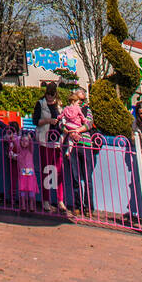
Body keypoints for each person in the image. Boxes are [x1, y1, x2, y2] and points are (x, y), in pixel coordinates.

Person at [59, 87, 94, 217]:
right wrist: (66, 130)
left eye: (82, 99)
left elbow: (89, 124)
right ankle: (78, 205)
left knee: (87, 177)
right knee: (75, 177)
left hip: (84, 143)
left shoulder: (86, 110)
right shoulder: (68, 110)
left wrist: (77, 131)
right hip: (72, 146)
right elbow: (61, 123)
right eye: (78, 98)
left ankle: (89, 206)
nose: (80, 101)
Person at [33, 82, 63, 215]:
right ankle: (46, 200)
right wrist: (48, 121)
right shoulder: (40, 103)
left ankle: (60, 200)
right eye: (48, 95)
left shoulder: (59, 105)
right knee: (46, 170)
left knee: (58, 170)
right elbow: (36, 121)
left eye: (52, 95)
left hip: (57, 140)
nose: (50, 98)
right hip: (45, 140)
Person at [12, 131, 39, 213]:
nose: (24, 143)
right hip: (22, 172)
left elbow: (31, 143)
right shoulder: (19, 149)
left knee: (31, 189)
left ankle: (31, 205)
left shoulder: (30, 150)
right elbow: (16, 142)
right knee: (22, 189)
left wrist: (29, 138)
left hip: (30, 172)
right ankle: (23, 204)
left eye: (26, 141)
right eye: (22, 141)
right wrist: (18, 136)